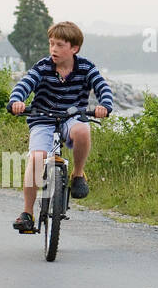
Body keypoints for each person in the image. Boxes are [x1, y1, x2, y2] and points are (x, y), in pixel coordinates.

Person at [7, 21, 113, 232]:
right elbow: (24, 85)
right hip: (42, 118)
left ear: (74, 48)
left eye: (60, 45)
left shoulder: (85, 67)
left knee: (82, 130)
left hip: (72, 117)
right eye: (51, 44)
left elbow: (102, 87)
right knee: (37, 158)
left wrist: (105, 105)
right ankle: (27, 212)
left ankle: (78, 174)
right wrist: (17, 101)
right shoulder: (43, 67)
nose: (54, 49)